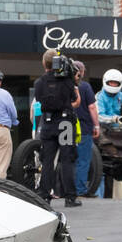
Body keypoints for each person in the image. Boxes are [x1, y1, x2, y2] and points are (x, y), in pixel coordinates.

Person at [32, 51, 81, 206]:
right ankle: (70, 197)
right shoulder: (67, 81)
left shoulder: (39, 83)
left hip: (47, 122)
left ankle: (45, 195)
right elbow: (74, 99)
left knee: (47, 160)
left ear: (44, 63)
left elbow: (39, 99)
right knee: (66, 159)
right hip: (64, 123)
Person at [72, 60, 101, 199]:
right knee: (83, 160)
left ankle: (65, 189)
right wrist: (96, 125)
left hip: (64, 128)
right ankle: (80, 190)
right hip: (83, 128)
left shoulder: (64, 85)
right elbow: (92, 107)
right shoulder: (85, 86)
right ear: (82, 72)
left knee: (66, 160)